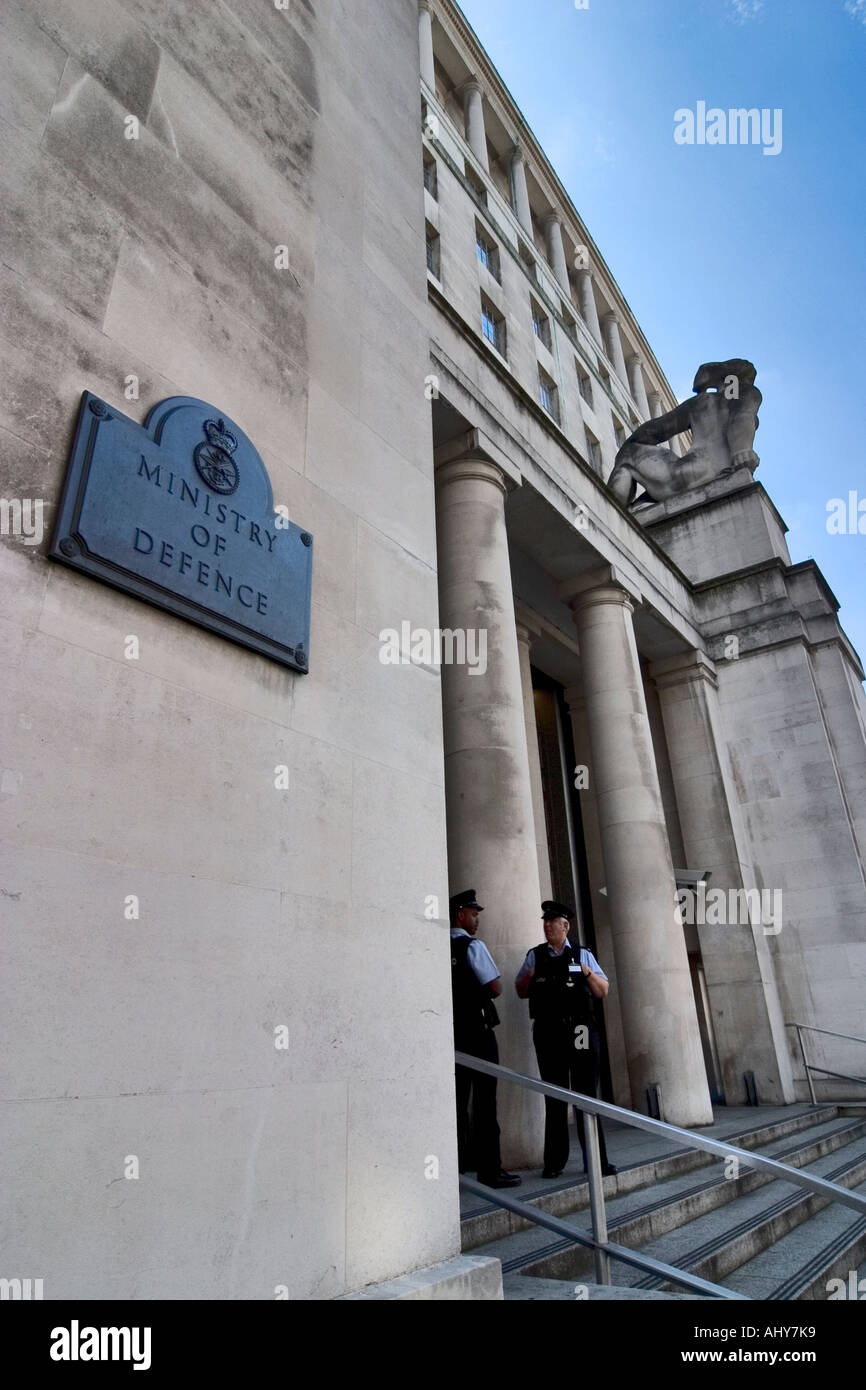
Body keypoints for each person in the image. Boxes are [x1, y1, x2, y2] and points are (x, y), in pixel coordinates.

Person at [515, 900, 617, 1180]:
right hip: (549, 1032)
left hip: (580, 1030)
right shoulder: (535, 955)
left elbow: (603, 990)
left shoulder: (582, 954)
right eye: (545, 922)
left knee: (586, 1096)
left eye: (553, 922)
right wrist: (529, 977)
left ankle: (596, 1160)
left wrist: (586, 973)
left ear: (565, 926)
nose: (548, 926)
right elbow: (520, 990)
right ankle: (554, 1162)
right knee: (555, 1096)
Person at [450, 889, 521, 1189]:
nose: (477, 920)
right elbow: (495, 987)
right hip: (477, 1033)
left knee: (456, 1102)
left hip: (451, 1033)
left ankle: (458, 1163)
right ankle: (489, 1169)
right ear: (460, 915)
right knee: (484, 1102)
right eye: (473, 914)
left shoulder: (436, 945)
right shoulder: (472, 946)